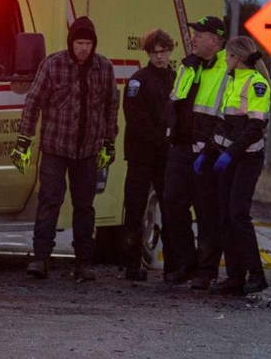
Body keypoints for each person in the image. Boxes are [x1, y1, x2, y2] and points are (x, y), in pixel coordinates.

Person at [12, 16, 118, 281]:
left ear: (94, 44)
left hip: (88, 150)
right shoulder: (53, 64)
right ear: (71, 42)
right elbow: (33, 102)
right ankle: (40, 259)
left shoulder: (104, 68)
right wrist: (24, 140)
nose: (83, 48)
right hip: (55, 147)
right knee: (50, 201)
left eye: (88, 43)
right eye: (79, 42)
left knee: (85, 206)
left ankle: (83, 263)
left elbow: (111, 105)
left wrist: (109, 141)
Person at [160, 15, 229, 288]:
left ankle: (206, 271)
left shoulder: (227, 69)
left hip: (208, 153)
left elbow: (226, 113)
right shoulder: (188, 66)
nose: (192, 38)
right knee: (173, 204)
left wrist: (212, 148)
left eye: (198, 35)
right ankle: (186, 264)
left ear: (214, 40)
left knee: (207, 213)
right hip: (180, 148)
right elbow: (175, 102)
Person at [206, 35, 271, 295]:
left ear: (237, 57)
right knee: (225, 216)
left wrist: (231, 153)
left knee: (238, 214)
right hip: (227, 157)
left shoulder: (256, 84)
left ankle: (257, 275)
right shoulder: (232, 81)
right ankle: (235, 277)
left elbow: (255, 128)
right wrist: (211, 150)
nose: (224, 59)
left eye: (227, 55)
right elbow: (225, 122)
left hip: (246, 159)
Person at [120, 28, 175, 281]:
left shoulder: (175, 79)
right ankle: (132, 263)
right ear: (148, 54)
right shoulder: (137, 81)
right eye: (155, 53)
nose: (160, 57)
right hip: (141, 156)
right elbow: (135, 119)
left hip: (166, 157)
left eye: (163, 52)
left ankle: (173, 265)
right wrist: (160, 138)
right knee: (134, 210)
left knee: (172, 210)